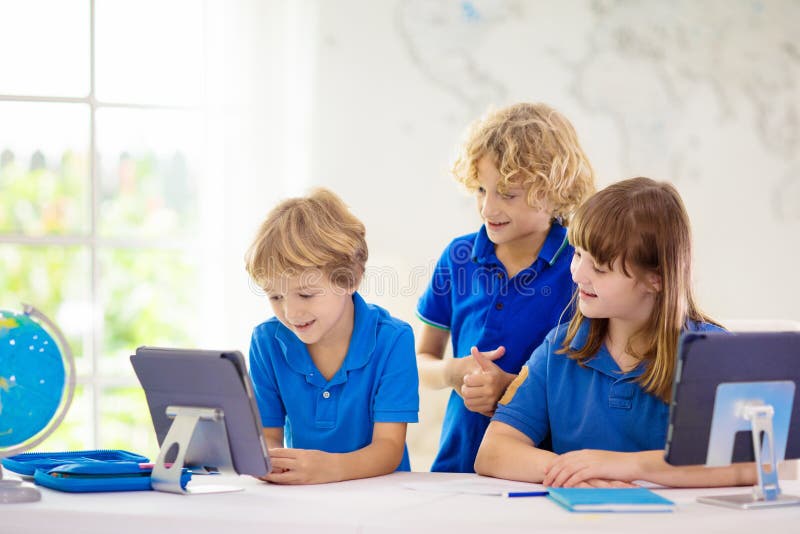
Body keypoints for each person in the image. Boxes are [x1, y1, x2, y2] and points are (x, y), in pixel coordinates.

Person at [475, 177, 756, 488]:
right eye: (578, 254)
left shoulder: (713, 354)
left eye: (601, 268)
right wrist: (575, 472)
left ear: (656, 279)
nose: (578, 275)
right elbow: (493, 452)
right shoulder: (559, 348)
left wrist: (627, 466)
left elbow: (752, 464)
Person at [416, 102, 596, 472]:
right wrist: (451, 373)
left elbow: (588, 389)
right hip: (457, 466)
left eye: (507, 194)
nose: (487, 208)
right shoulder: (458, 257)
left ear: (553, 191)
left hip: (540, 472)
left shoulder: (581, 267)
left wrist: (512, 389)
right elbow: (422, 360)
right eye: (481, 190)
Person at [245, 188, 419, 485]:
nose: (291, 312)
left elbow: (389, 448)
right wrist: (272, 463)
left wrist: (328, 469)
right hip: (304, 497)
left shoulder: (393, 340)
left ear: (350, 279)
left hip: (383, 495)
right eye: (275, 296)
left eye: (306, 294)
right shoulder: (266, 343)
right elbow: (268, 436)